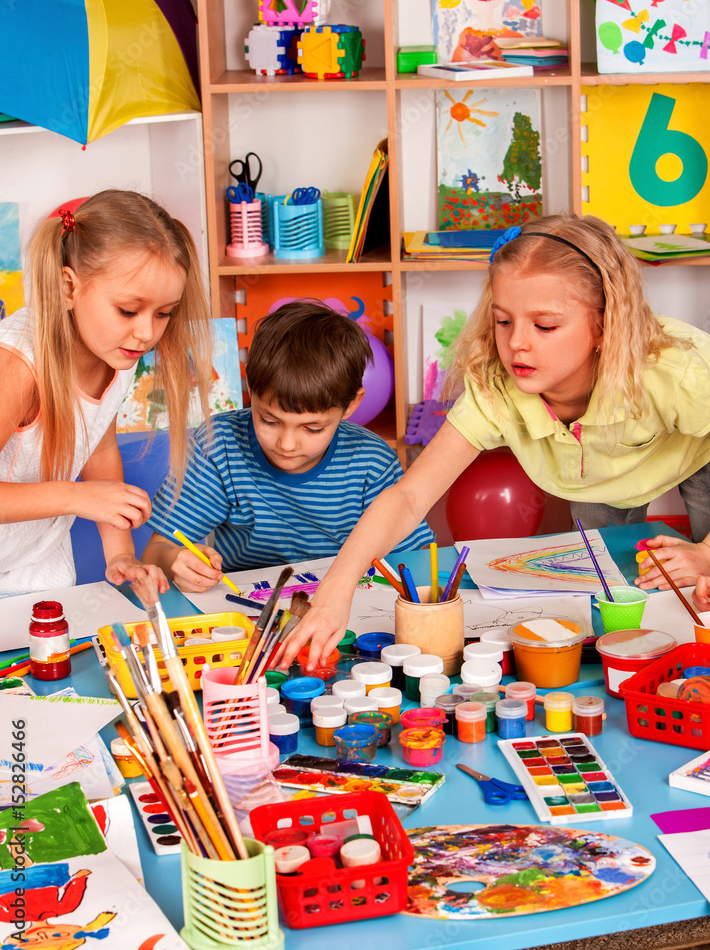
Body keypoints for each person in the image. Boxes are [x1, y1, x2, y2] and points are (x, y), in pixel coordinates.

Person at [276, 213, 710, 669]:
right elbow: (408, 497)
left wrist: (703, 553)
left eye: (544, 326)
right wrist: (334, 592)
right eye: (503, 321)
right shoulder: (496, 387)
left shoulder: (676, 372)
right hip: (600, 478)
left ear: (604, 326)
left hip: (698, 456)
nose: (517, 344)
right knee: (616, 596)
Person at [0, 189, 212, 597]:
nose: (147, 332)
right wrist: (76, 496)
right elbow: (80, 491)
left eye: (164, 313)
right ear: (68, 287)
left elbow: (98, 449)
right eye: (129, 310)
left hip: (34, 561)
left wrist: (120, 555)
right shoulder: (16, 364)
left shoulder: (117, 353)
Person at [141, 301, 434, 590]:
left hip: (348, 604)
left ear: (351, 404)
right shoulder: (219, 444)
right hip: (245, 610)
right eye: (269, 420)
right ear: (250, 389)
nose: (287, 444)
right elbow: (157, 551)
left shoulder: (372, 462)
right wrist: (176, 560)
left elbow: (415, 558)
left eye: (313, 428)